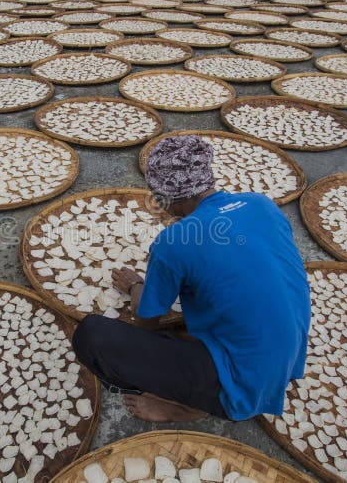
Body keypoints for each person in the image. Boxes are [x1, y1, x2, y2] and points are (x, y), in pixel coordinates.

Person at [72, 135, 311, 422]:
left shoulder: (174, 241)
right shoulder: (261, 204)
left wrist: (137, 286)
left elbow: (146, 321)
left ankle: (188, 407)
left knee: (92, 336)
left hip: (240, 382)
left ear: (164, 195)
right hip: (287, 356)